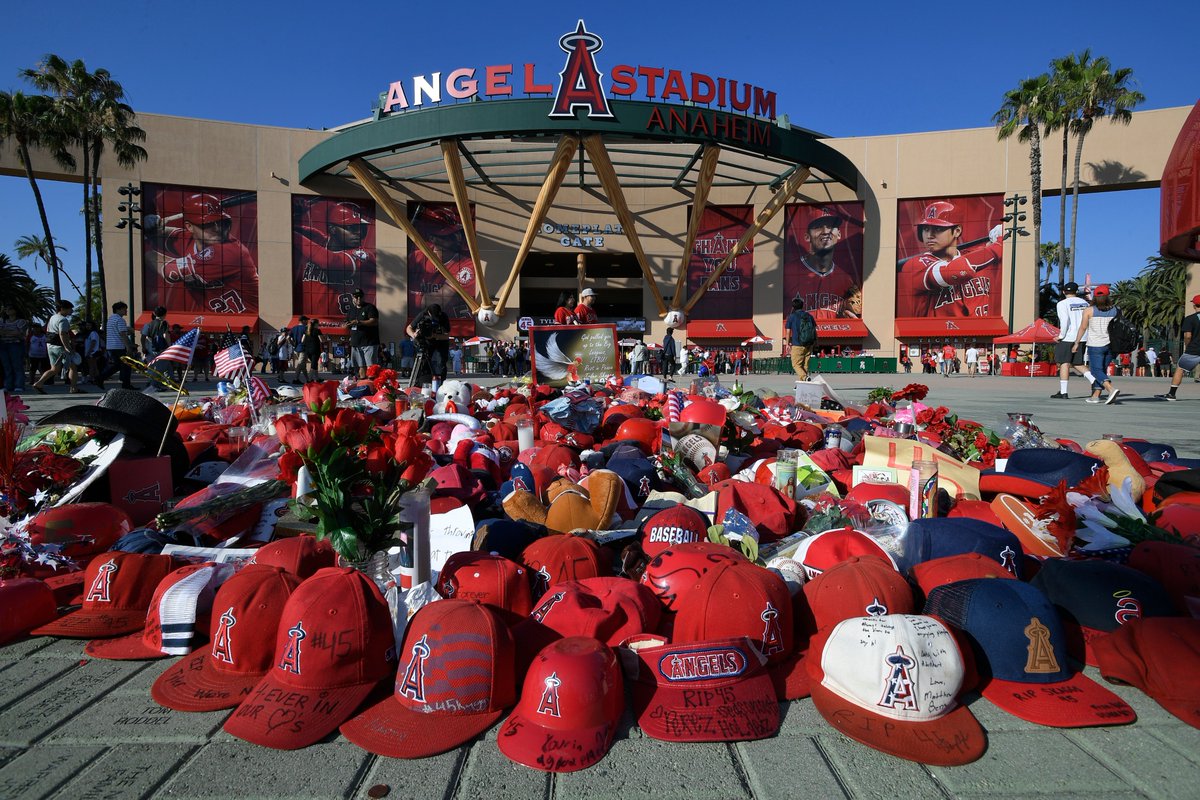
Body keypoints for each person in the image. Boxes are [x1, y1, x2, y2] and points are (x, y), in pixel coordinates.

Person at [145, 192, 258, 316]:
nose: (217, 228)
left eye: (222, 223)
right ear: (189, 227)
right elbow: (162, 235)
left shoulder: (230, 252)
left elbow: (168, 271)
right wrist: (152, 228)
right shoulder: (189, 240)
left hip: (249, 321)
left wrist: (144, 250)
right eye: (208, 224)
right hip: (215, 322)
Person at [896, 201, 1004, 318]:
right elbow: (958, 271)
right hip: (935, 335)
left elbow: (984, 251)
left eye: (937, 229)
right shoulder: (914, 266)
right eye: (926, 229)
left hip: (983, 333)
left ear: (957, 231)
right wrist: (998, 244)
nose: (929, 235)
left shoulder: (977, 256)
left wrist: (1004, 234)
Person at [791, 209, 861, 318]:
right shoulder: (788, 273)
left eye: (830, 226)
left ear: (839, 234)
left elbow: (852, 317)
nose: (825, 231)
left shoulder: (846, 280)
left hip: (833, 334)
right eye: (818, 226)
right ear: (807, 236)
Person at [1050, 281, 1100, 399]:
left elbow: (1065, 320)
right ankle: (1094, 380)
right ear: (1076, 291)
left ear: (1063, 292)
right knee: (1077, 362)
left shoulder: (1062, 304)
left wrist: (1061, 336)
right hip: (1082, 336)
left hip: (1068, 336)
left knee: (1064, 363)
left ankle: (1064, 392)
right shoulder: (1084, 303)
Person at [1072, 285, 1121, 405]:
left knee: (1095, 370)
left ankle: (1111, 389)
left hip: (1095, 344)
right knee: (1102, 369)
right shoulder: (1116, 310)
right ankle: (1096, 396)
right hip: (1111, 345)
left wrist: (1076, 343)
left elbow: (1083, 327)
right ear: (1108, 296)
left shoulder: (1089, 310)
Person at [1156, 294, 1200, 401]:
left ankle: (1172, 394)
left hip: (1194, 349)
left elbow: (1187, 336)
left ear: (1194, 305)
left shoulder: (1190, 319)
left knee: (1180, 369)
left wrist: (1187, 345)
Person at [33, 300, 83, 394]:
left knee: (54, 369)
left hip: (50, 346)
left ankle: (39, 383)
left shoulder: (53, 317)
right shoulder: (63, 320)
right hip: (61, 347)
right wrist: (67, 347)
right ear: (63, 309)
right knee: (73, 367)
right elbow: (62, 334)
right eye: (70, 309)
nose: (71, 311)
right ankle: (73, 388)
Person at [406, 303, 451, 383]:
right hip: (427, 343)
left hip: (441, 342)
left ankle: (441, 383)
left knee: (441, 363)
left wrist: (434, 335)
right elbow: (409, 328)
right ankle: (422, 382)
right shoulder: (423, 315)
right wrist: (414, 335)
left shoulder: (443, 316)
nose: (435, 319)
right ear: (429, 313)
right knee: (424, 363)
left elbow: (447, 336)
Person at [97, 302, 136, 390]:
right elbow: (122, 334)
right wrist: (128, 347)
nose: (126, 311)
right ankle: (125, 384)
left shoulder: (111, 319)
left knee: (118, 365)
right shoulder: (120, 320)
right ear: (118, 310)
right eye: (124, 309)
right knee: (126, 364)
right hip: (119, 346)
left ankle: (101, 378)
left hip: (111, 346)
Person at [348, 288, 380, 378]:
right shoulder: (351, 310)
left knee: (371, 367)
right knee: (360, 366)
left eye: (360, 297)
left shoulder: (370, 308)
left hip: (369, 343)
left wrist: (359, 322)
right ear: (353, 298)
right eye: (356, 297)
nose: (358, 299)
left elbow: (374, 321)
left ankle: (374, 384)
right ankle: (363, 384)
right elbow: (347, 323)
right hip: (356, 343)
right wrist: (347, 325)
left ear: (363, 297)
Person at [784, 297, 817, 380]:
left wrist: (787, 344)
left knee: (796, 364)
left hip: (797, 344)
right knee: (805, 365)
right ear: (802, 306)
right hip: (809, 344)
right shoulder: (809, 316)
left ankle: (805, 378)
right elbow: (814, 330)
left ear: (793, 307)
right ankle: (803, 383)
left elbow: (788, 332)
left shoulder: (791, 317)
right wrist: (815, 342)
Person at [0, 304, 28, 393]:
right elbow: (1, 332)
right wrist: (12, 332)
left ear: (15, 310)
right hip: (3, 344)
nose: (7, 310)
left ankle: (19, 385)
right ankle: (8, 385)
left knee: (17, 365)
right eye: (6, 309)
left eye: (10, 308)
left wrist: (6, 332)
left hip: (16, 344)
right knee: (6, 366)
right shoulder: (2, 321)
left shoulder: (21, 321)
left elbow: (19, 333)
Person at [296, 317, 322, 384]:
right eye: (318, 323)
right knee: (313, 365)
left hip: (307, 350)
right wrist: (325, 338)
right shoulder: (317, 331)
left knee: (315, 363)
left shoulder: (307, 330)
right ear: (316, 324)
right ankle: (309, 380)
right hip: (315, 349)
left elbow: (302, 340)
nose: (318, 325)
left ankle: (317, 378)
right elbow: (321, 340)